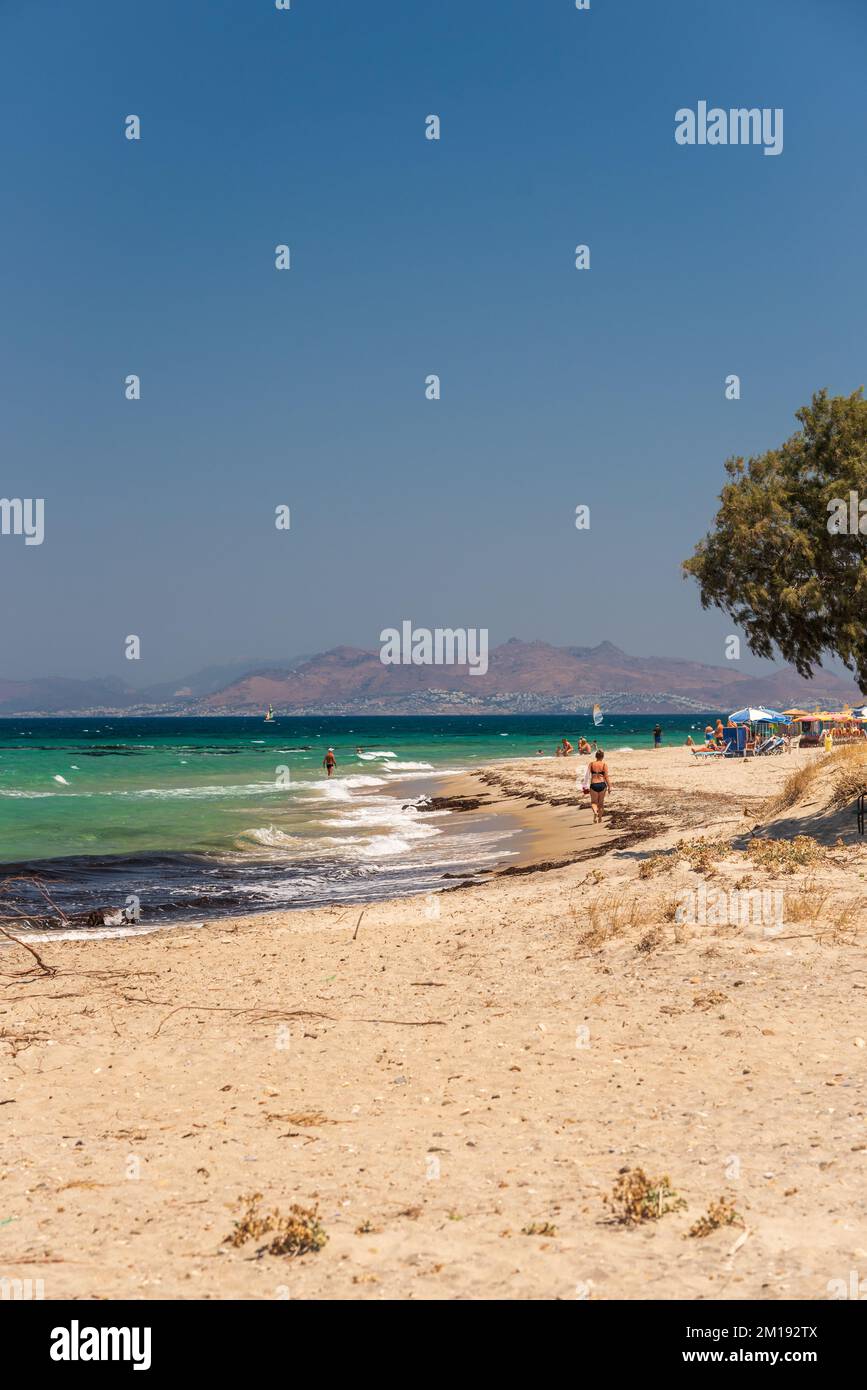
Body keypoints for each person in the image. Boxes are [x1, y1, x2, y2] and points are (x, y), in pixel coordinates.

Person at [588, 748, 611, 824]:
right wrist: (609, 787)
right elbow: (606, 777)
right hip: (602, 785)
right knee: (601, 803)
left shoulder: (591, 764)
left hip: (594, 784)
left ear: (596, 756)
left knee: (594, 802)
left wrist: (584, 785)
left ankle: (595, 812)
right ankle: (600, 818)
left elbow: (587, 775)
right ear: (602, 756)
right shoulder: (604, 764)